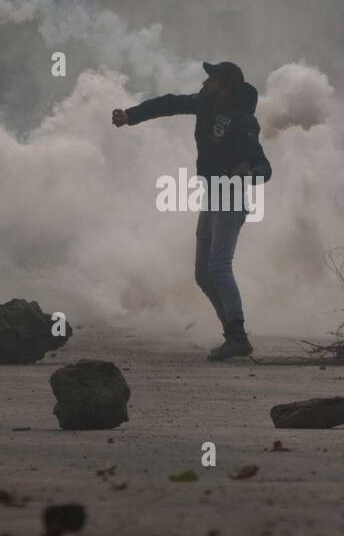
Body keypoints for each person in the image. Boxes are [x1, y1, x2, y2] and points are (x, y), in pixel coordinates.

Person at [112, 61, 272, 361]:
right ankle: (232, 334)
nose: (205, 82)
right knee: (202, 273)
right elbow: (169, 104)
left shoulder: (243, 121)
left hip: (230, 198)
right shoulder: (205, 103)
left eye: (212, 79)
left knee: (219, 268)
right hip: (211, 197)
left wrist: (248, 174)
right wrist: (130, 116)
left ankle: (237, 337)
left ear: (225, 86)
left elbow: (265, 167)